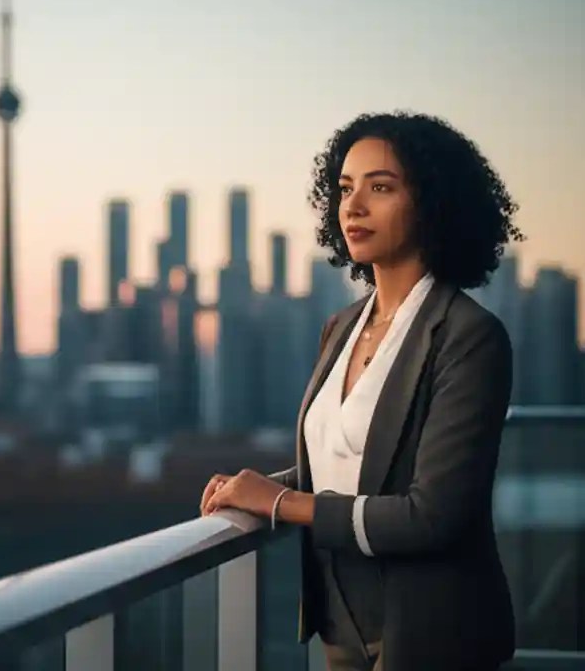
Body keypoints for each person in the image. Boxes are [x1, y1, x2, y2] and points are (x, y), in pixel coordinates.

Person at [200, 111, 524, 670]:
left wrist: (279, 503)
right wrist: (253, 486)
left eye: (380, 188)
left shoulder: (470, 337)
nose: (353, 206)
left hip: (431, 629)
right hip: (338, 625)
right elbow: (351, 462)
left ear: (432, 203)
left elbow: (433, 515)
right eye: (346, 188)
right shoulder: (342, 327)